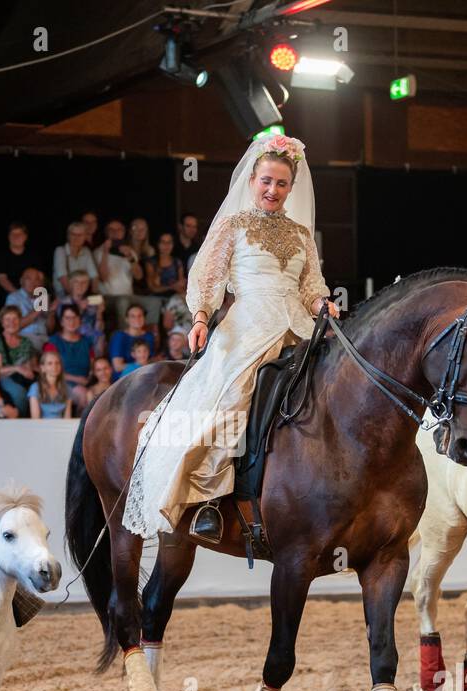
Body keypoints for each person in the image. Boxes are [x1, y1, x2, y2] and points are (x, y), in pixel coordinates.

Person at [121, 134, 336, 544]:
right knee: (233, 397)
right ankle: (209, 500)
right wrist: (201, 316)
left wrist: (323, 303)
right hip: (249, 325)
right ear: (253, 180)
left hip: (299, 325)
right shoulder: (233, 226)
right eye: (266, 181)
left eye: (282, 184)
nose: (273, 190)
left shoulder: (301, 233)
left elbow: (312, 287)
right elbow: (207, 277)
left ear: (291, 188)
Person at [0, 304, 37, 416]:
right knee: (19, 393)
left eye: (15, 319)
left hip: (23, 378)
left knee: (37, 389)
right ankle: (21, 420)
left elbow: (32, 365)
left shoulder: (26, 342)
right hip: (3, 377)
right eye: (8, 319)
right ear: (2, 322)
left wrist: (30, 370)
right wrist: (17, 368)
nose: (12, 322)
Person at [44, 303, 93, 408]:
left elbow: (92, 366)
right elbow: (48, 370)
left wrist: (89, 378)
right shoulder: (53, 343)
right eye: (67, 318)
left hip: (85, 383)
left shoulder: (86, 342)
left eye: (75, 317)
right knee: (84, 395)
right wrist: (77, 379)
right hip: (60, 383)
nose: (72, 321)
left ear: (80, 320)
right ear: (61, 321)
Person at [0, 221, 40, 301]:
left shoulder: (32, 255)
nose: (16, 237)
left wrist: (35, 294)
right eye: (13, 234)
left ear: (25, 237)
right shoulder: (2, 256)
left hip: (31, 293)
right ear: (8, 237)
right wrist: (20, 295)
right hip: (9, 294)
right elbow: (2, 280)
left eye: (19, 234)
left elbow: (39, 277)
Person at [52, 221, 98, 296]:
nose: (76, 238)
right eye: (73, 234)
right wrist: (74, 297)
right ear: (68, 236)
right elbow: (62, 277)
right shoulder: (60, 251)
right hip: (64, 294)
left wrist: (94, 294)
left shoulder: (86, 251)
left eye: (80, 235)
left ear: (85, 237)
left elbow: (94, 276)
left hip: (83, 294)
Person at [109, 304, 155, 374]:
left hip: (144, 374)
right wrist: (138, 365)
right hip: (123, 377)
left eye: (140, 315)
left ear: (144, 318)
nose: (137, 319)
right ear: (127, 319)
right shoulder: (119, 336)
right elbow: (118, 367)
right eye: (133, 316)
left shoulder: (149, 336)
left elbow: (151, 359)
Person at [29, 350, 73, 418]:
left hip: (62, 427)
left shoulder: (67, 388)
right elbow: (35, 419)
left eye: (57, 363)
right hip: (41, 427)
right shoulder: (35, 388)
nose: (54, 366)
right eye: (50, 363)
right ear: (42, 368)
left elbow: (67, 417)